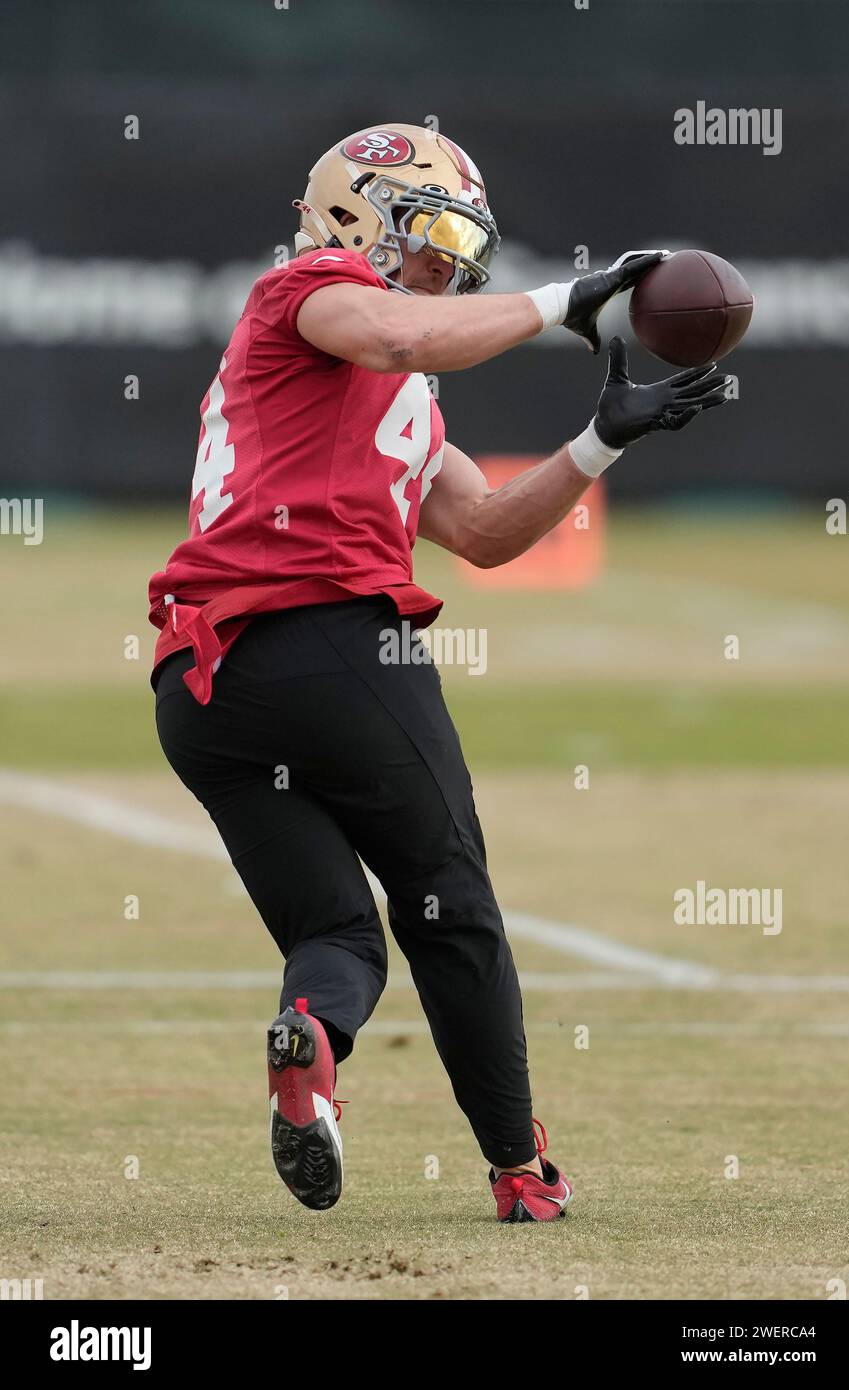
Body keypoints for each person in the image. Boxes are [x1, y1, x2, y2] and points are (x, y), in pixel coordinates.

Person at [150, 124, 731, 1223]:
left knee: (334, 933)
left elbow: (484, 531)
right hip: (327, 644)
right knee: (451, 905)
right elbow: (388, 332)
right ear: (351, 212)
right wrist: (566, 302)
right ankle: (521, 1170)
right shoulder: (312, 291)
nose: (441, 265)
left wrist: (599, 442)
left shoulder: (387, 387)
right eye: (425, 236)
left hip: (205, 693)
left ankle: (307, 1046)